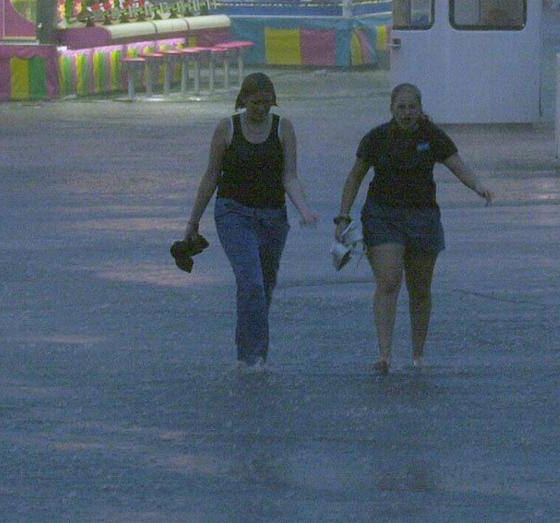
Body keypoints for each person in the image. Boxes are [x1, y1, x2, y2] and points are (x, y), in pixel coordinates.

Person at [335, 83, 492, 375]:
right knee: (389, 280)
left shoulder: (431, 136)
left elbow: (457, 165)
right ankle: (384, 355)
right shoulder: (376, 138)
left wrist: (478, 186)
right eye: (401, 107)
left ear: (420, 109)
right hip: (383, 215)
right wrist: (343, 217)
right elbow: (355, 177)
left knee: (420, 289)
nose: (407, 113)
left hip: (423, 217)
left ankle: (418, 356)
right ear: (391, 109)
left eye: (412, 107)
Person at [184, 73, 319, 371]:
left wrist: (305, 210)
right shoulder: (227, 128)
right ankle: (250, 357)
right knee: (251, 283)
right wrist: (193, 221)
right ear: (243, 100)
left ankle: (254, 349)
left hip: (273, 216)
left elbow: (290, 176)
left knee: (264, 286)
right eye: (255, 103)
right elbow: (211, 176)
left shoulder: (283, 128)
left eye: (267, 103)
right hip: (234, 213)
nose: (261, 109)